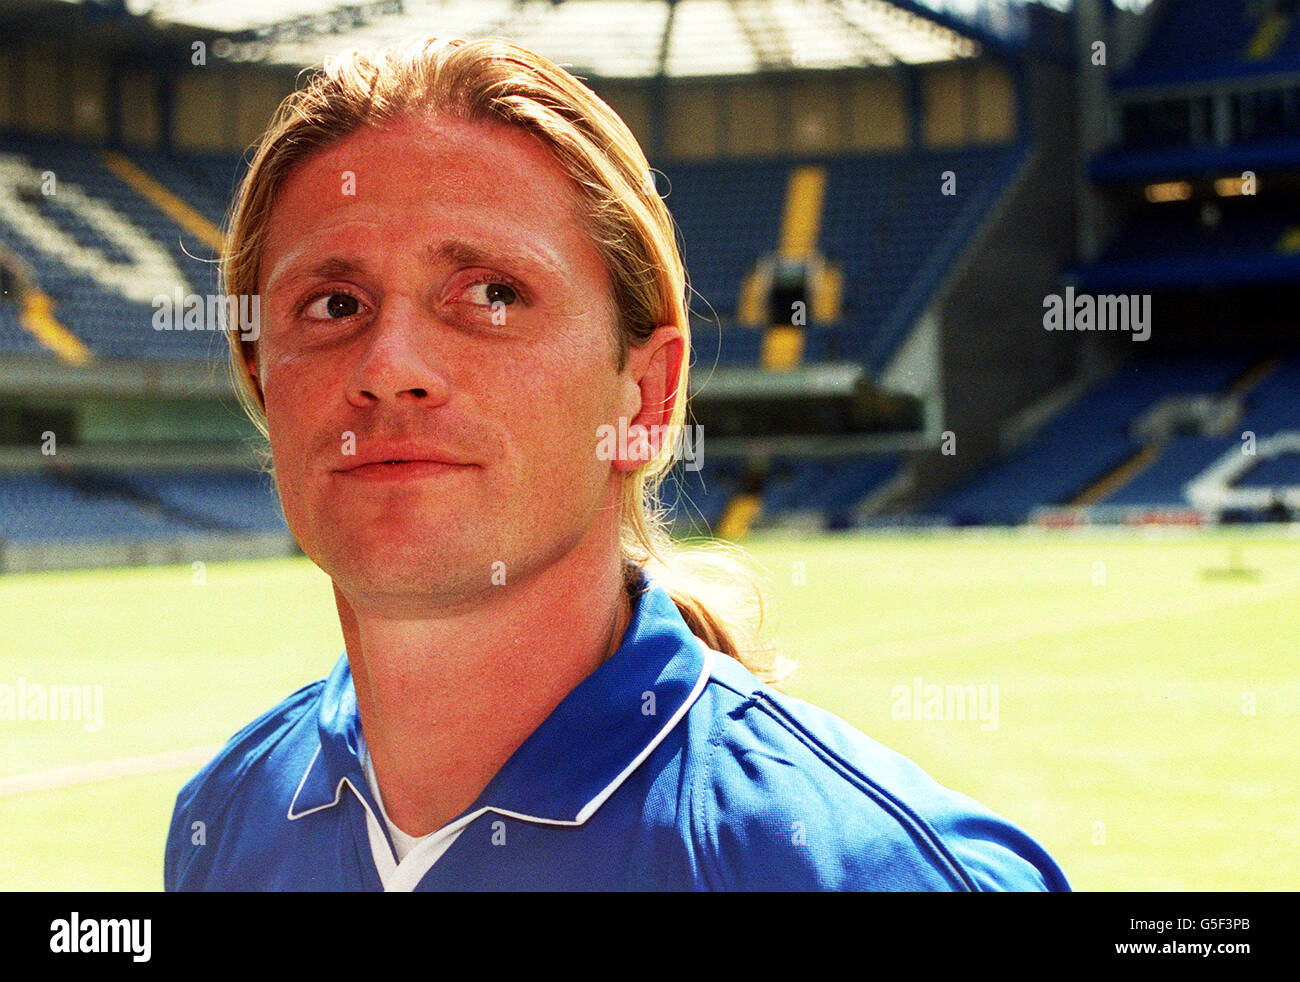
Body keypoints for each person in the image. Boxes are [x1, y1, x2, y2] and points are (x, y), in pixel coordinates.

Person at [164, 36, 1069, 891]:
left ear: (644, 397)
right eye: (331, 304)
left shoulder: (864, 869)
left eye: (491, 293)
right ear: (259, 376)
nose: (388, 367)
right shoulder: (223, 818)